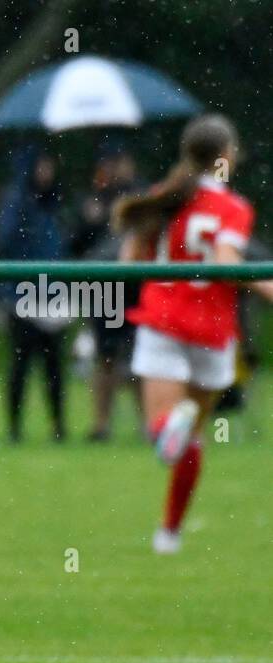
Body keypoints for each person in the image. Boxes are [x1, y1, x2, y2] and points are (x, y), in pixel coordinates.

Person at [114, 113, 273, 554]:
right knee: (190, 442)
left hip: (165, 320)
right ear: (226, 157)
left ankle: (170, 430)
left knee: (165, 437)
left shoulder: (164, 197)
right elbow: (225, 264)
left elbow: (128, 263)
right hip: (212, 329)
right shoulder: (232, 207)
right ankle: (169, 532)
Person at [0, 147, 70, 443]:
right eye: (41, 165)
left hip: (52, 294)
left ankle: (59, 427)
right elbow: (6, 242)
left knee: (53, 367)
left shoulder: (53, 203)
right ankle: (14, 429)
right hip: (22, 295)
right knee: (20, 365)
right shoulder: (16, 202)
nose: (46, 173)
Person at [70, 145, 144, 440]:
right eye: (108, 164)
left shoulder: (141, 197)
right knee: (106, 356)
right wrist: (90, 221)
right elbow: (75, 246)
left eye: (118, 162)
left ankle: (146, 423)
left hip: (136, 286)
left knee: (140, 356)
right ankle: (101, 424)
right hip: (103, 288)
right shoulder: (92, 201)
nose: (113, 170)